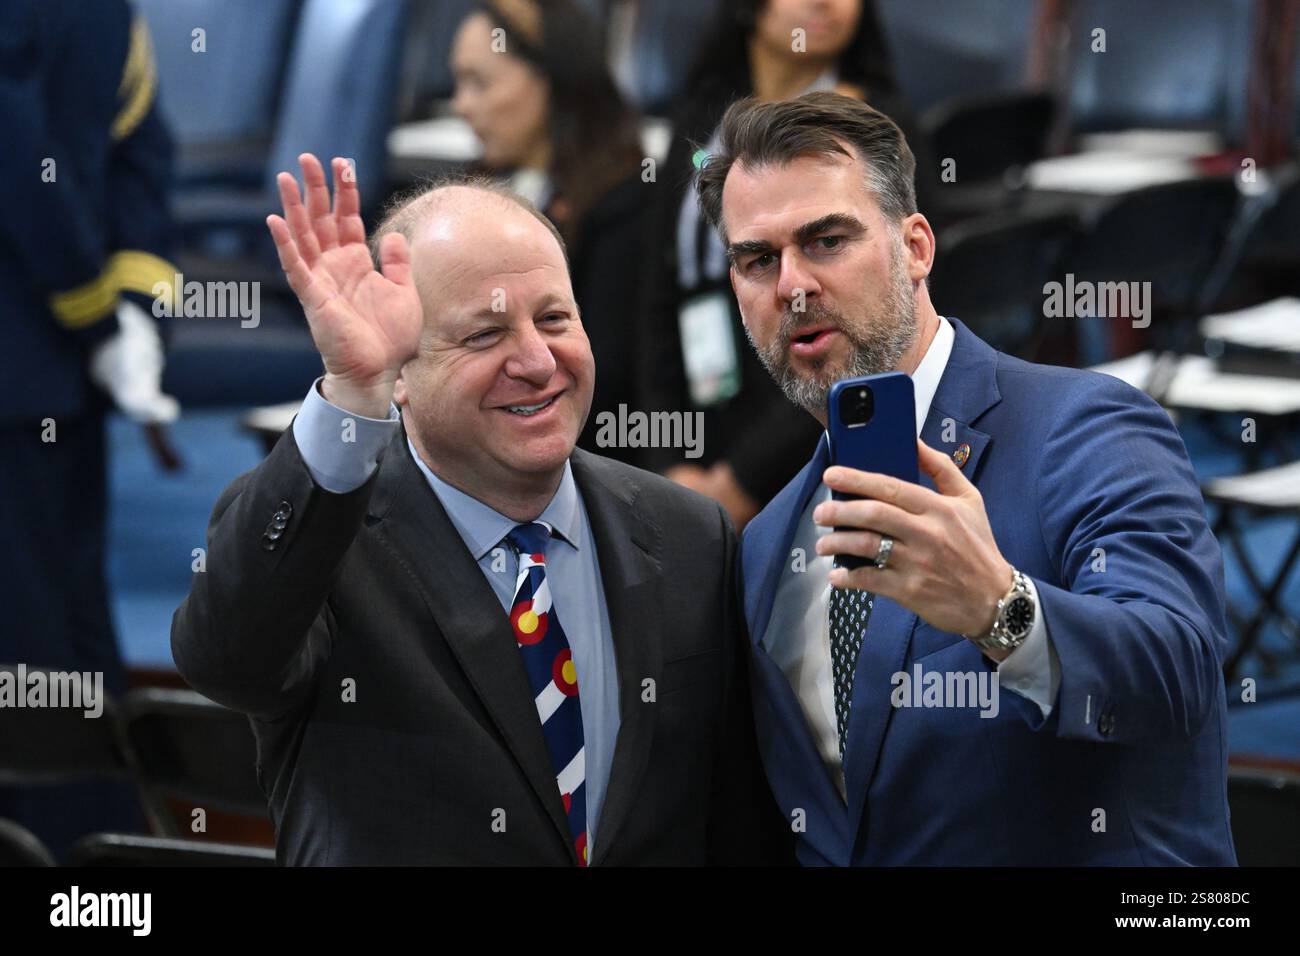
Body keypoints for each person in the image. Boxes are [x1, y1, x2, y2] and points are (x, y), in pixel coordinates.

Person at [171, 153, 788, 865]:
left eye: (555, 318)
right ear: (401, 372)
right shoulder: (327, 545)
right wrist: (352, 392)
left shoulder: (689, 534)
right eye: (484, 335)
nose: (536, 360)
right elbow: (224, 663)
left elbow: (735, 824)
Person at [695, 92, 1237, 865]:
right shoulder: (765, 544)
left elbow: (1178, 674)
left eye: (826, 240)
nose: (793, 285)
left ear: (916, 247)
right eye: (758, 260)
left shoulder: (1086, 427)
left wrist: (999, 609)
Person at [637, 0, 934, 530]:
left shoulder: (875, 128)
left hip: (808, 446)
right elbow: (657, 296)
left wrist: (740, 481)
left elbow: (868, 339)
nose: (826, 4)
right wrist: (671, 461)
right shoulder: (703, 115)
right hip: (699, 429)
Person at [0, 0, 178, 860]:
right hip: (57, 376)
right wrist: (117, 319)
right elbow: (135, 157)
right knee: (66, 651)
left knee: (45, 668)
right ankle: (103, 882)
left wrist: (119, 319)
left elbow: (30, 152)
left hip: (34, 365)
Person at [449, 0, 649, 464]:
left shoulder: (623, 202)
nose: (461, 105)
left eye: (479, 82)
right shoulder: (471, 191)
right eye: (458, 82)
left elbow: (607, 378)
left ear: (551, 81)